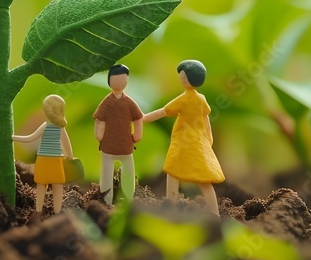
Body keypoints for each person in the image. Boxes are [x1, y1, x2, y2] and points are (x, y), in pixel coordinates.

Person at [144, 60, 224, 216]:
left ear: (191, 79)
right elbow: (206, 117)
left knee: (173, 172)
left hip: (184, 141)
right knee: (204, 177)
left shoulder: (184, 98)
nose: (181, 79)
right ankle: (214, 212)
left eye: (184, 77)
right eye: (181, 76)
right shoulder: (201, 98)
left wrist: (144, 117)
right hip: (199, 141)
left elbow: (163, 111)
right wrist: (209, 137)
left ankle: (171, 206)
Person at [12, 94, 75, 217]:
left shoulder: (57, 128)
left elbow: (31, 138)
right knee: (48, 184)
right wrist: (14, 137)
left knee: (48, 185)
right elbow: (31, 138)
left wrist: (14, 138)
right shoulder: (52, 127)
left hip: (50, 159)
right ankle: (43, 210)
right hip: (49, 159)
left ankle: (47, 210)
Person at [93, 64, 143, 204]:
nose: (120, 82)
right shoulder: (107, 102)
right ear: (109, 81)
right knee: (106, 173)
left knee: (128, 170)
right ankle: (106, 200)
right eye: (116, 79)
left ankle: (128, 199)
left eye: (123, 78)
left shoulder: (129, 103)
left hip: (126, 144)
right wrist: (99, 135)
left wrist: (137, 135)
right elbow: (99, 120)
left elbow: (138, 118)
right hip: (108, 145)